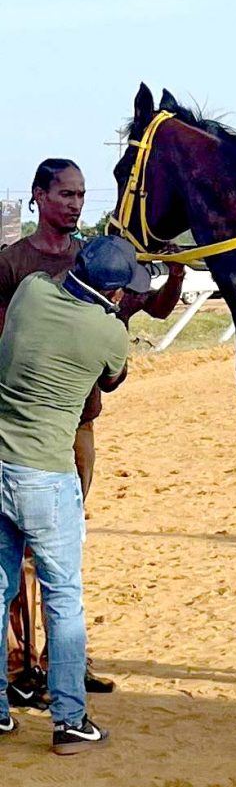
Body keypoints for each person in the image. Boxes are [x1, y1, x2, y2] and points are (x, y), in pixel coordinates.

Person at [0, 159, 183, 708]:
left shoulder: (93, 258)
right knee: (29, 557)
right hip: (31, 427)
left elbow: (148, 307)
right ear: (38, 196)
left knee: (56, 547)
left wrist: (172, 274)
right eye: (65, 194)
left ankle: (60, 663)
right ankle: (20, 666)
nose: (75, 203)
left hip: (79, 425)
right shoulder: (15, 266)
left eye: (81, 194)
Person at [0, 236, 151, 752]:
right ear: (111, 291)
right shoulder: (108, 332)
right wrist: (115, 315)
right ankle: (68, 720)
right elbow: (112, 378)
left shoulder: (31, 291)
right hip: (46, 471)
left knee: (0, 591)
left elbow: (48, 282)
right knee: (63, 596)